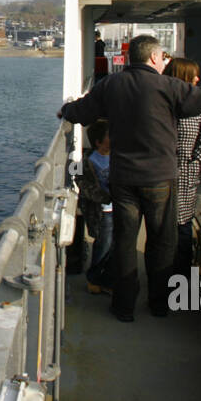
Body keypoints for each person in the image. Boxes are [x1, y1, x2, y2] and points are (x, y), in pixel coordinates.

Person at [57, 35, 201, 320]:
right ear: (155, 58)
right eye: (163, 58)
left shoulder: (111, 84)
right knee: (162, 240)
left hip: (123, 178)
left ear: (132, 58)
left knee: (125, 241)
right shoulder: (169, 86)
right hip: (159, 178)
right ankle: (159, 303)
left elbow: (82, 111)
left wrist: (65, 110)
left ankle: (124, 307)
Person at [163, 57, 201, 281]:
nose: (197, 79)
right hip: (165, 171)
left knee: (182, 225)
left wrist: (197, 159)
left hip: (185, 172)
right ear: (183, 77)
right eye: (193, 75)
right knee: (167, 226)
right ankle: (170, 277)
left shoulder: (196, 107)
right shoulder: (166, 105)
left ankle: (180, 276)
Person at [74, 119, 114, 294]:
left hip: (117, 208)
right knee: (103, 244)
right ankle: (94, 278)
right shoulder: (88, 160)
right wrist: (105, 197)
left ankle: (106, 278)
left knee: (113, 245)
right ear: (98, 142)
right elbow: (78, 179)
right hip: (103, 211)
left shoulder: (118, 155)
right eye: (109, 136)